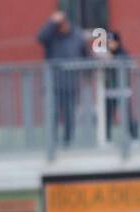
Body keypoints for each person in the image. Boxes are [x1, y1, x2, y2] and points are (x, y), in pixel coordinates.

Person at [37, 10, 89, 146]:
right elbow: (40, 38)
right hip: (53, 83)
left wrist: (87, 72)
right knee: (52, 113)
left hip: (71, 83)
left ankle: (68, 141)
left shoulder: (77, 36)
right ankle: (52, 142)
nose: (61, 28)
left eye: (62, 24)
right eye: (58, 25)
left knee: (69, 114)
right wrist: (51, 22)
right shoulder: (51, 35)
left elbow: (86, 55)